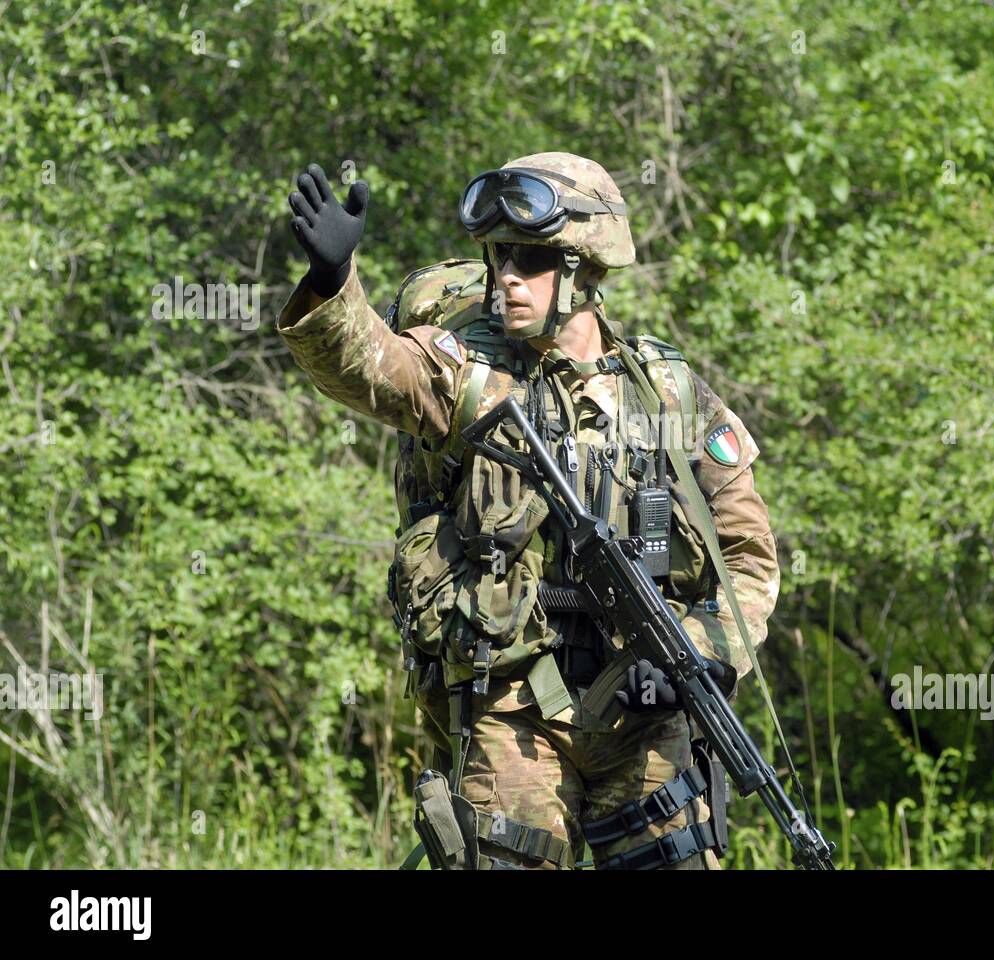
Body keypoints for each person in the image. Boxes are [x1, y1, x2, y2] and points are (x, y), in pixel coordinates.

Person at [277, 153, 779, 869]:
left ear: (584, 270)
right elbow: (372, 369)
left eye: (531, 260)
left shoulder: (666, 394)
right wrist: (334, 281)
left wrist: (697, 655)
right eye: (500, 257)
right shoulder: (469, 376)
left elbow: (749, 560)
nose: (507, 276)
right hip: (515, 712)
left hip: (645, 713)